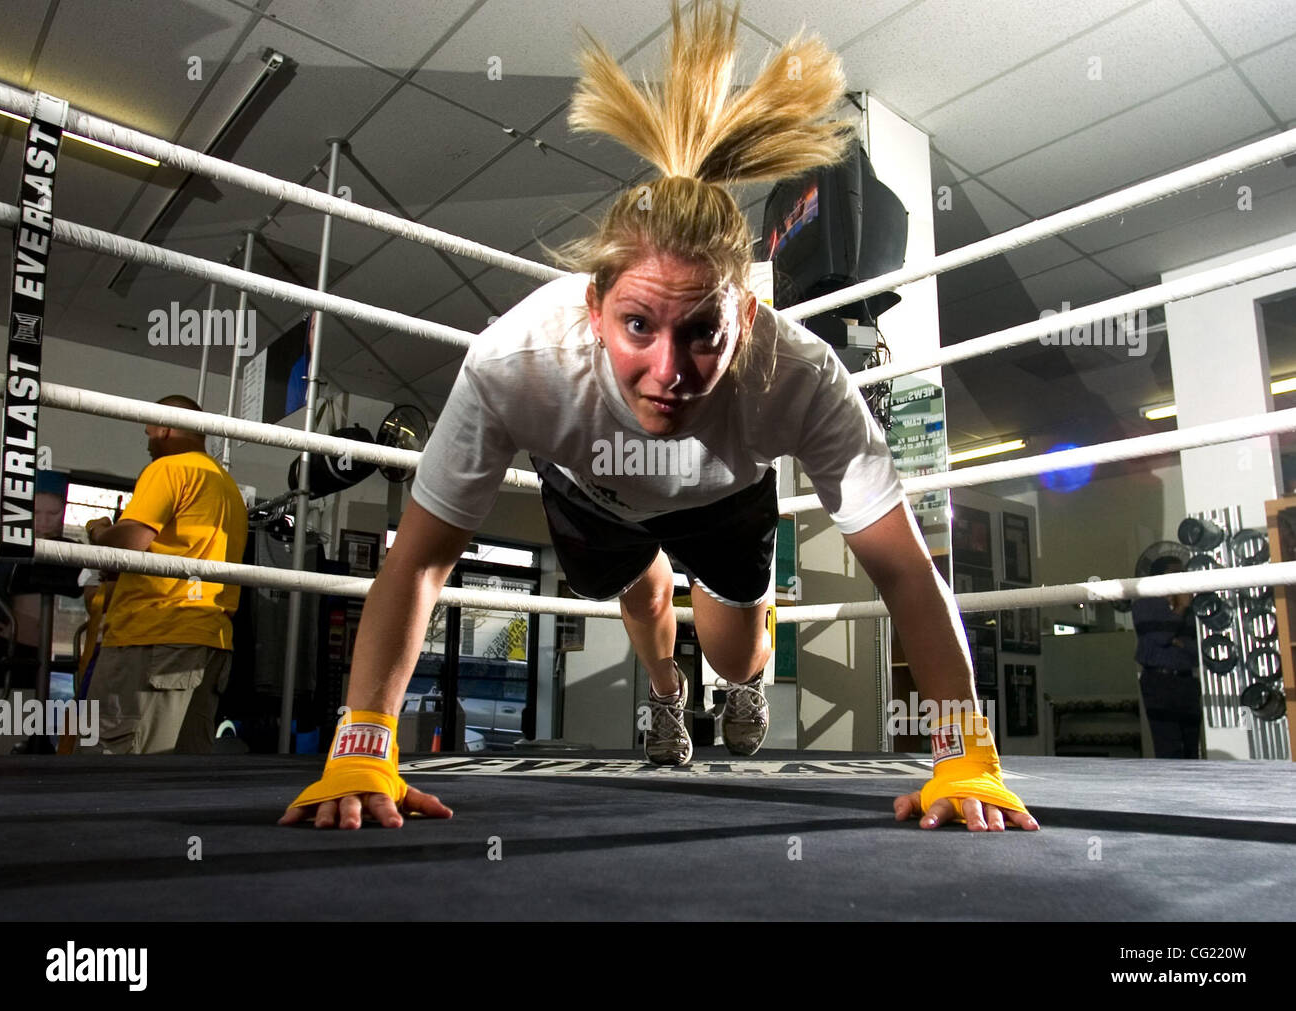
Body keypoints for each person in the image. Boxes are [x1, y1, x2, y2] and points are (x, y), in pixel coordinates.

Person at [283, 0, 1037, 834]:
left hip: (722, 495)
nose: (669, 373)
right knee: (636, 590)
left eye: (703, 332)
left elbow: (902, 568)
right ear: (595, 307)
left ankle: (728, 673)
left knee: (736, 654)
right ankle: (666, 697)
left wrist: (967, 754)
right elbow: (420, 560)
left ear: (746, 318)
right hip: (594, 491)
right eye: (639, 325)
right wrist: (362, 747)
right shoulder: (518, 360)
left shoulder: (802, 374)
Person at [82, 394, 248, 754]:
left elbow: (125, 545)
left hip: (153, 639)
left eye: (148, 432)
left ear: (164, 427)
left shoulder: (169, 469)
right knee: (181, 771)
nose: (148, 444)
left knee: (120, 760)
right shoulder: (226, 485)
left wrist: (97, 532)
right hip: (208, 641)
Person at [1132, 556, 1202, 758]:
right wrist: (1180, 608)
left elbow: (1197, 648)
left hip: (1187, 679)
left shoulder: (1192, 608)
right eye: (1175, 573)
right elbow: (1160, 637)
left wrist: (1178, 640)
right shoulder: (1145, 605)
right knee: (1167, 744)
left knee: (1191, 743)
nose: (1181, 577)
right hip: (1158, 681)